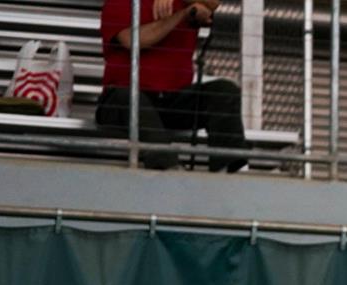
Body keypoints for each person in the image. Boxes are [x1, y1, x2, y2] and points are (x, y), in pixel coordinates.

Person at [96, 0, 248, 172]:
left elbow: (214, 3)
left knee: (224, 91)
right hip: (121, 101)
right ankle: (169, 168)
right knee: (129, 97)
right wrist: (181, 14)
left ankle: (228, 171)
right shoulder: (121, 3)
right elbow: (134, 40)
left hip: (172, 100)